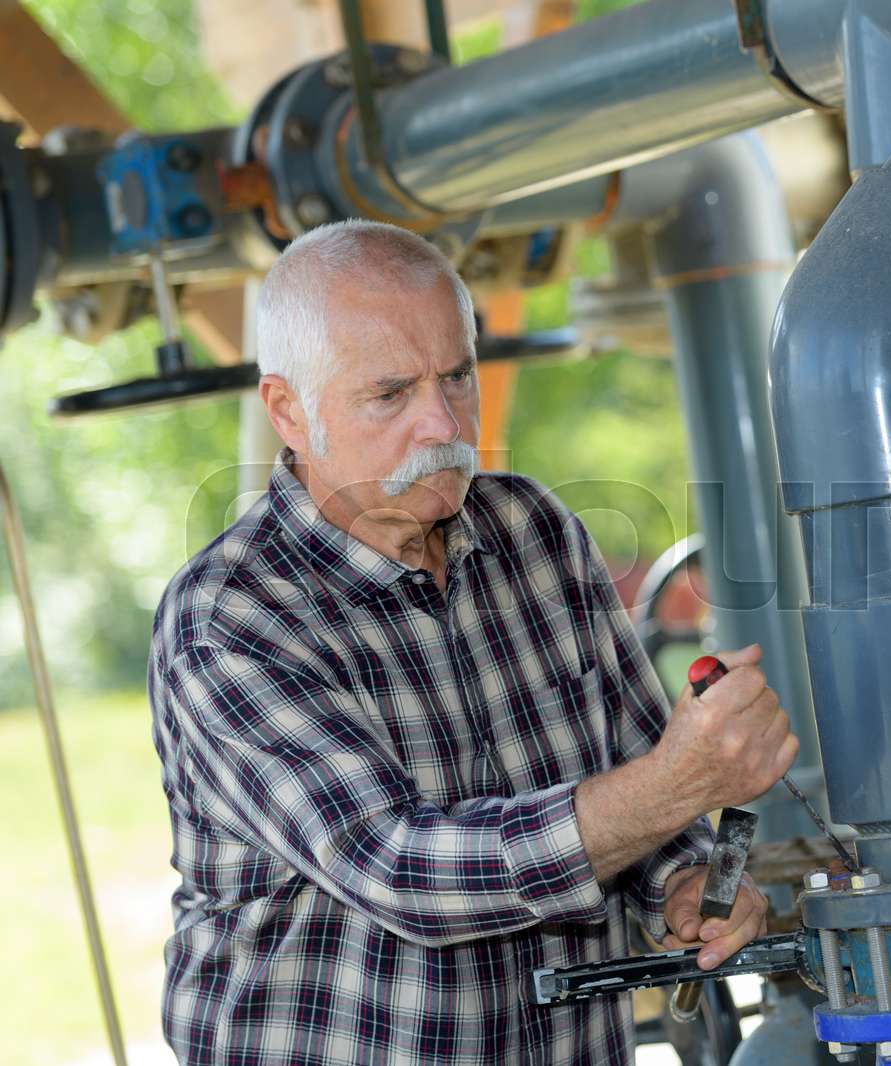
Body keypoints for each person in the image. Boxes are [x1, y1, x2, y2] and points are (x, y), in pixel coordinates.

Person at [147, 219, 799, 1065]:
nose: (441, 424)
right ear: (288, 411)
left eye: (457, 376)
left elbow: (643, 771)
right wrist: (679, 784)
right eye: (390, 394)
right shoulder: (230, 618)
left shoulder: (534, 530)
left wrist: (691, 879)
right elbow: (403, 871)